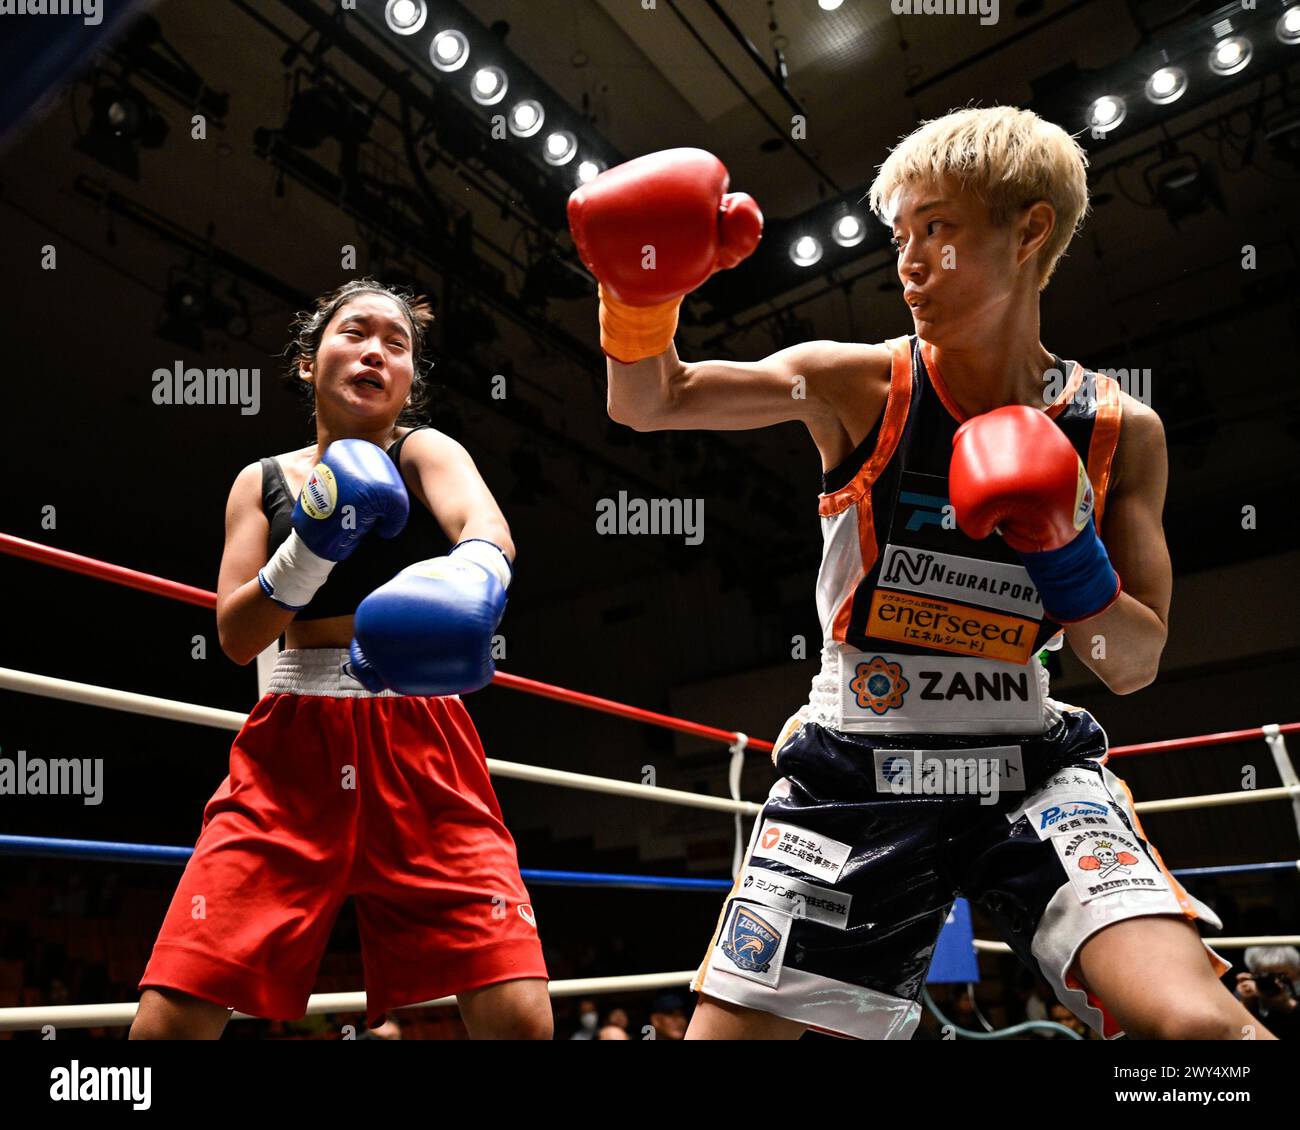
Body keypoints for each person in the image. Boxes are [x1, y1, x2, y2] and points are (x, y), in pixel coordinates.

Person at [568, 112, 1273, 1040]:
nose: (909, 260)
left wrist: (1064, 543)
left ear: (1028, 232)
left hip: (1030, 763)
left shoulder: (1116, 429)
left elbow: (1130, 661)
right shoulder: (855, 383)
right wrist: (637, 294)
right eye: (901, 235)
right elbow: (652, 400)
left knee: (1206, 1037)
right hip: (856, 762)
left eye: (937, 228)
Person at [130, 279, 550, 1040]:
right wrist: (311, 547)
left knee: (521, 1019)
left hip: (424, 740)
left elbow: (485, 524)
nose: (375, 350)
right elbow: (235, 635)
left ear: (409, 381)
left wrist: (476, 573)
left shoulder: (424, 452)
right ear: (306, 362)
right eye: (355, 332)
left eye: (397, 343)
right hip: (291, 755)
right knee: (168, 1022)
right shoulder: (259, 481)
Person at [1236, 946, 1299, 1039]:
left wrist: (1288, 1005)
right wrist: (1246, 1003)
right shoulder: (1249, 993)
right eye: (1266, 977)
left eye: (1281, 976)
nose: (1275, 982)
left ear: (1298, 971)